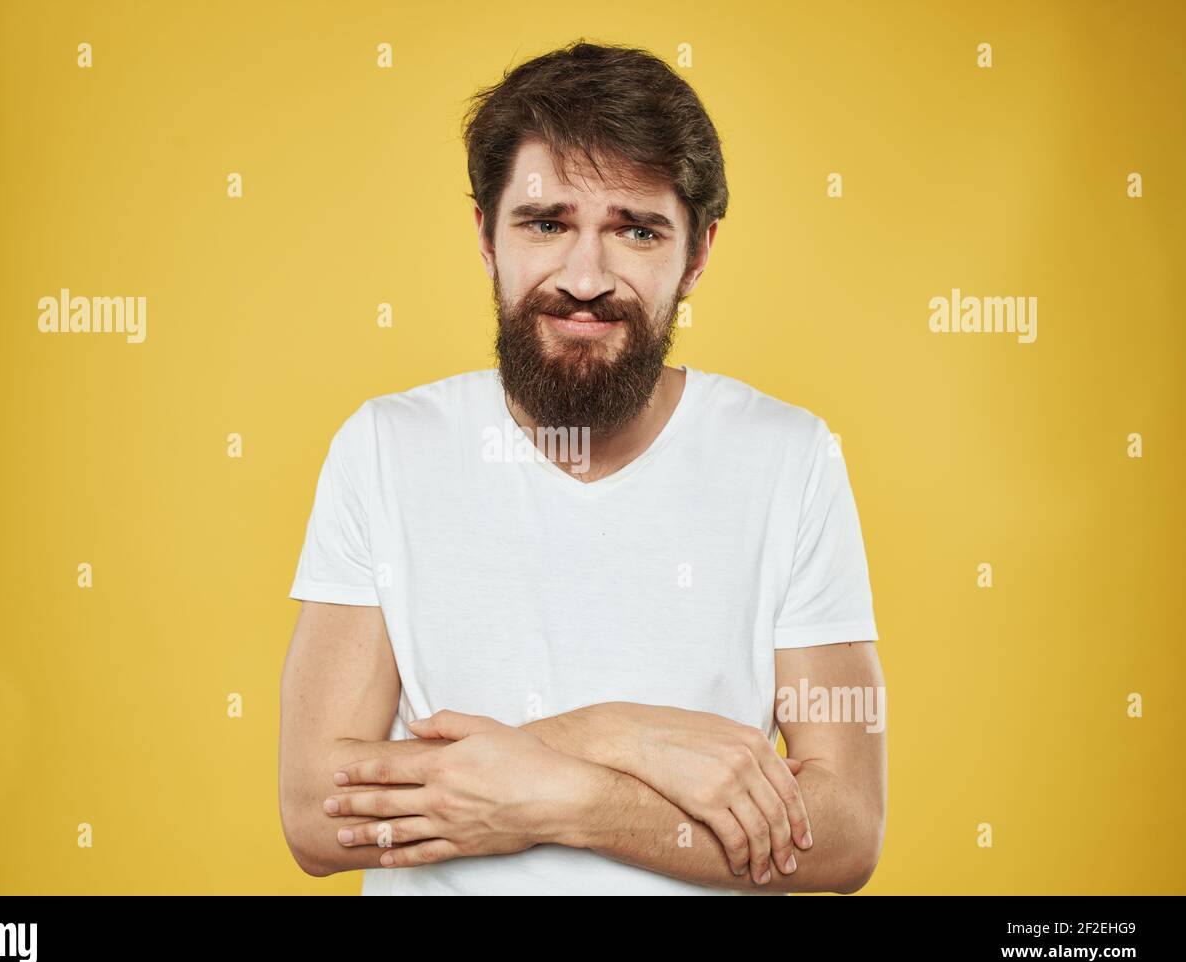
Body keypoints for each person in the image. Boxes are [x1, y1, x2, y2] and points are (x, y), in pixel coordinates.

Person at [278, 39, 885, 895]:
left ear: (698, 255)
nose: (587, 277)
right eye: (547, 223)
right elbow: (316, 813)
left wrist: (577, 800)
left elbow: (847, 828)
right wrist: (621, 735)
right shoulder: (386, 449)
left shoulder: (789, 459)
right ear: (488, 237)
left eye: (636, 230)